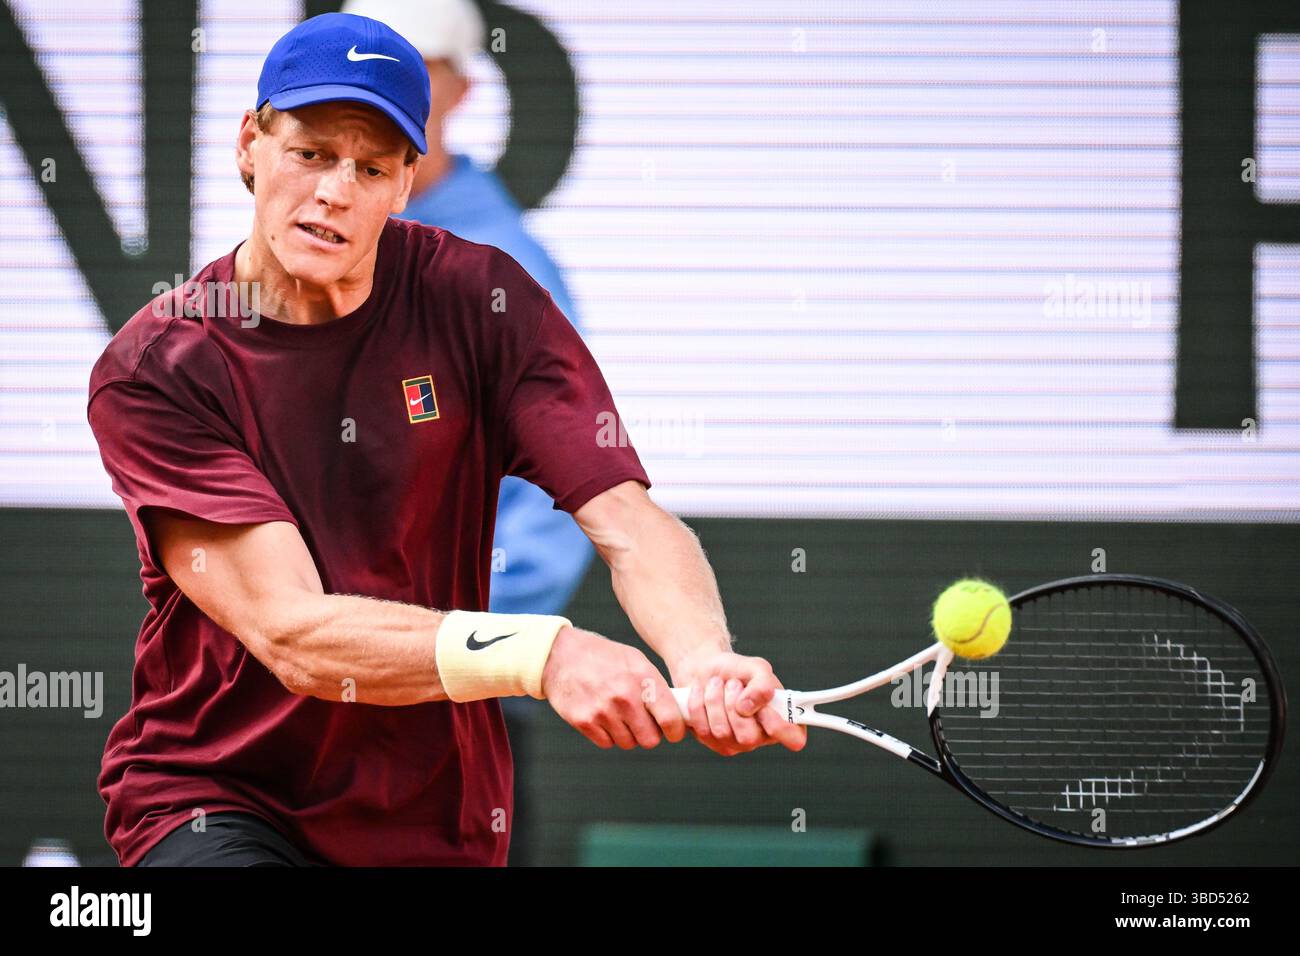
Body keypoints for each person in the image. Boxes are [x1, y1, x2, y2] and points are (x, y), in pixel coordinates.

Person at [86, 12, 804, 868]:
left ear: (404, 183)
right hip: (217, 797)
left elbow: (626, 518)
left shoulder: (487, 302)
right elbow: (292, 631)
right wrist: (543, 651)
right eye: (310, 151)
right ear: (251, 143)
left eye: (371, 166)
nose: (334, 190)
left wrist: (704, 659)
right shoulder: (159, 366)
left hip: (438, 819)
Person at [339, 0, 592, 866]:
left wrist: (447, 644)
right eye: (359, 66)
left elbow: (564, 496)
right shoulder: (297, 257)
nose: (380, 92)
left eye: (412, 67)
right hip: (304, 705)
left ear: (459, 87)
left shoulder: (505, 273)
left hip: (446, 713)